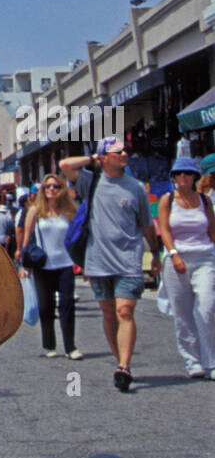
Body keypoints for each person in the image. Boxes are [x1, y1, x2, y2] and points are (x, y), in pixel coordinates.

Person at [60, 137, 160, 392]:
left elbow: (147, 224)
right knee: (108, 313)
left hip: (128, 260)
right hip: (98, 261)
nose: (124, 154)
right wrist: (92, 159)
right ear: (104, 158)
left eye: (125, 150)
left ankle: (123, 366)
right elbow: (65, 165)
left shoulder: (136, 187)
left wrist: (156, 255)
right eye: (117, 152)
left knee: (124, 311)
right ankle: (121, 361)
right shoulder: (90, 181)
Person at [157, 157, 215, 379]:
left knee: (206, 309)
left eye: (187, 174)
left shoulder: (204, 200)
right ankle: (192, 361)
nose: (182, 178)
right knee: (182, 314)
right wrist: (173, 254)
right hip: (177, 258)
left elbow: (212, 230)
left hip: (204, 257)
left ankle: (210, 360)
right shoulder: (167, 200)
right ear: (174, 177)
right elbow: (165, 231)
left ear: (194, 177)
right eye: (179, 174)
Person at [17, 173, 82, 359]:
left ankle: (70, 347)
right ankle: (49, 345)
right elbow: (26, 239)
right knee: (46, 307)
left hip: (65, 264)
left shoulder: (69, 211)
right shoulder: (35, 211)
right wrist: (25, 264)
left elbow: (76, 237)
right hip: (43, 264)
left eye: (56, 186)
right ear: (43, 191)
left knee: (67, 305)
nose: (51, 190)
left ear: (62, 190)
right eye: (47, 187)